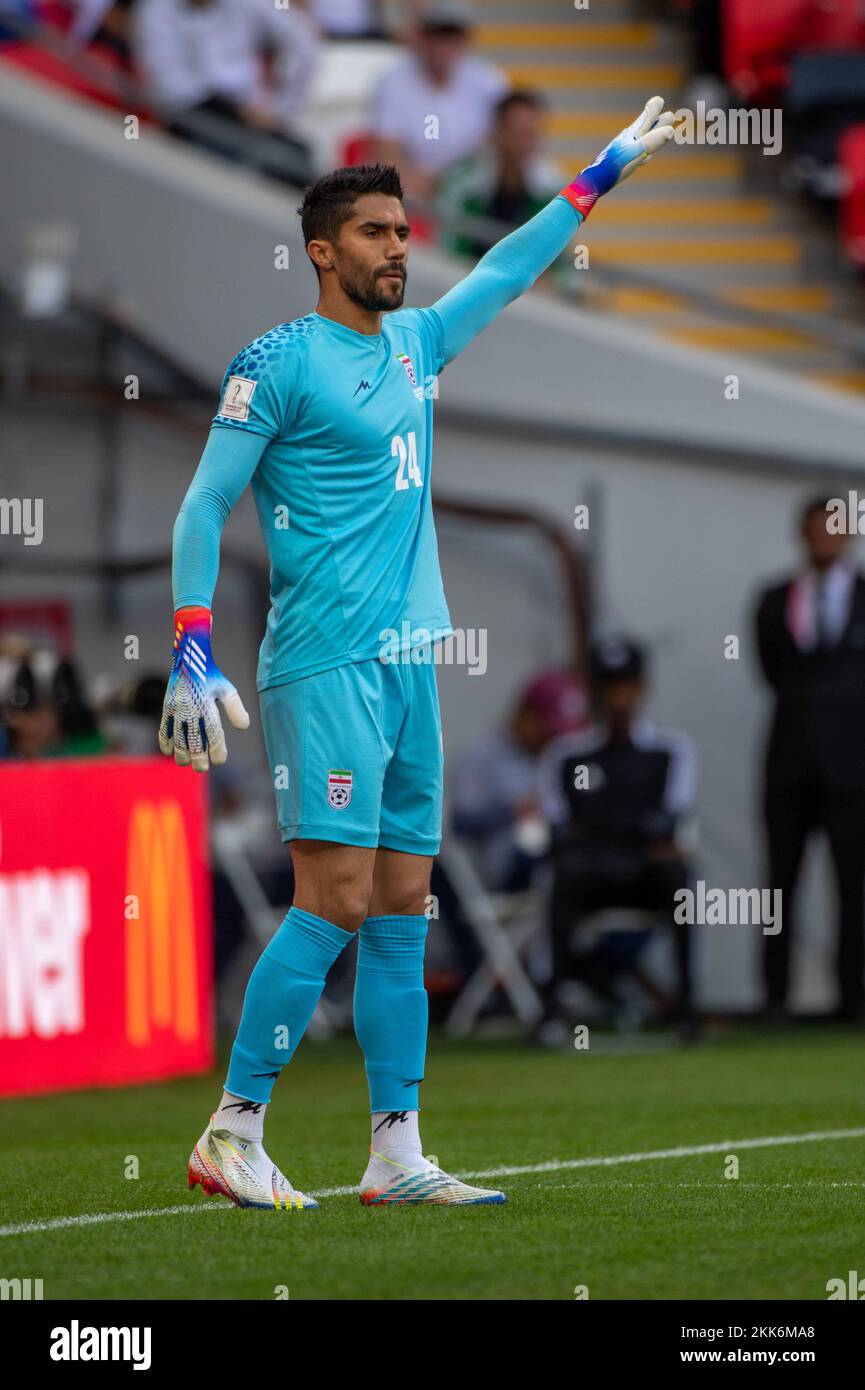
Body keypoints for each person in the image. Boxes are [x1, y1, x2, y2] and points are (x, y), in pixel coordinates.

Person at [159, 98, 677, 1210]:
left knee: (402, 900)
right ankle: (231, 1129)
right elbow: (204, 505)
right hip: (323, 661)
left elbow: (504, 268)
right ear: (321, 250)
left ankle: (396, 1150)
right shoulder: (279, 360)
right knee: (333, 895)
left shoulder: (417, 341)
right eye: (377, 234)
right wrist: (192, 638)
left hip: (408, 663)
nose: (398, 248)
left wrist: (601, 173)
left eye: (402, 231)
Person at [538, 638, 697, 1039]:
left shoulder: (671, 750)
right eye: (610, 687)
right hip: (590, 872)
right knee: (562, 875)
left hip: (644, 873)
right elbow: (558, 826)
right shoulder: (566, 755)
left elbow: (669, 820)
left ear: (642, 688)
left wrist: (618, 829)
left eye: (627, 686)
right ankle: (552, 1010)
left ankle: (686, 1008)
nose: (619, 698)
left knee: (678, 874)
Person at [754, 495, 865, 1021]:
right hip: (789, 765)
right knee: (779, 883)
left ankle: (853, 998)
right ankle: (775, 998)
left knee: (853, 885)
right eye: (817, 528)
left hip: (853, 769)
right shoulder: (773, 600)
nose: (826, 537)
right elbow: (772, 673)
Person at [133, 0, 320, 185]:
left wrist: (277, 112)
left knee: (300, 161)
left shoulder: (246, 5)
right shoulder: (156, 10)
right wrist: (235, 109)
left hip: (244, 118)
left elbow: (304, 48)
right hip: (187, 117)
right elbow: (169, 88)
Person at [450, 668, 588, 892]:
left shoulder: (552, 757)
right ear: (527, 716)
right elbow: (460, 823)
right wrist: (513, 811)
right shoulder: (480, 755)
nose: (554, 739)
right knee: (534, 835)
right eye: (549, 730)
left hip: (553, 862)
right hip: (500, 869)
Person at [370, 1, 509, 202]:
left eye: (452, 35)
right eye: (437, 35)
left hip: (476, 188)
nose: (444, 45)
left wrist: (458, 182)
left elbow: (501, 141)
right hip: (414, 193)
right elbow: (387, 153)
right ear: (422, 37)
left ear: (464, 39)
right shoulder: (393, 81)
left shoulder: (488, 80)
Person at [437, 91, 563, 260]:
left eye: (531, 135)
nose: (525, 144)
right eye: (518, 134)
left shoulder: (554, 190)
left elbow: (562, 264)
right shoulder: (464, 183)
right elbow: (446, 246)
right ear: (498, 133)